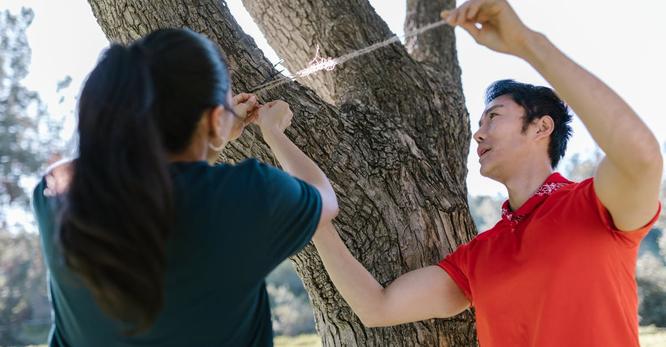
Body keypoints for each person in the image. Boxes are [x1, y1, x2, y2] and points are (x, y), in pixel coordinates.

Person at [311, 1, 662, 346]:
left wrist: (526, 42)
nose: (478, 133)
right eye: (479, 123)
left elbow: (643, 158)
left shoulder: (593, 206)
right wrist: (317, 218)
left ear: (542, 127)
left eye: (494, 117)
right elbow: (377, 307)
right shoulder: (479, 254)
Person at [32, 28, 338, 346]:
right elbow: (325, 198)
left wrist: (213, 134)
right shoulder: (249, 195)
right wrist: (273, 132)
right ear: (213, 120)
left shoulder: (55, 194)